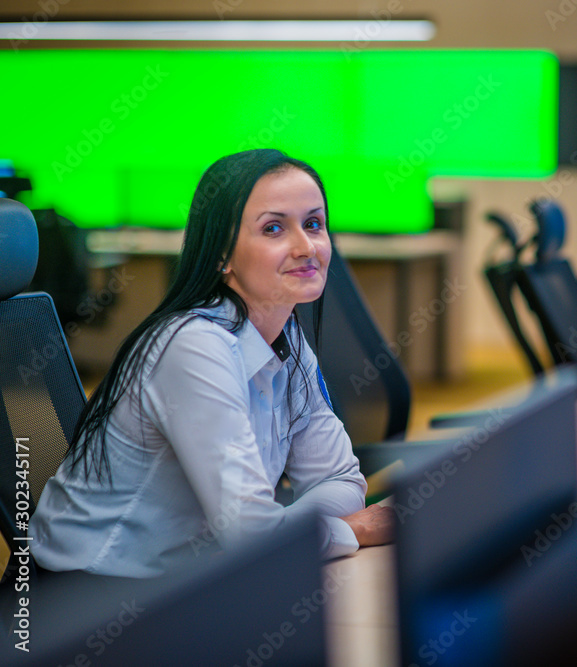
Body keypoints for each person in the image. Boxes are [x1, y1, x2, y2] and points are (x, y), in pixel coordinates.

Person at [28, 149, 393, 579]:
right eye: (274, 228)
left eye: (313, 223)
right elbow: (256, 538)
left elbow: (343, 484)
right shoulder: (193, 347)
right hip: (88, 600)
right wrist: (349, 532)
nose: (306, 246)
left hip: (192, 580)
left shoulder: (287, 335)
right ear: (222, 256)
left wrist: (291, 532)